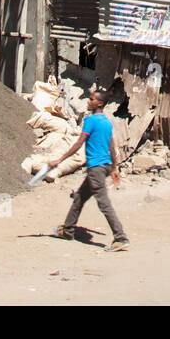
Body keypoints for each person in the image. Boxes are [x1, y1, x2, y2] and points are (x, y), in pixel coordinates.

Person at [48, 90, 130, 252]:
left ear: (99, 104)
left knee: (103, 203)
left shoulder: (90, 120)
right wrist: (114, 167)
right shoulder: (106, 122)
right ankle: (68, 230)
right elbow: (111, 146)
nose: (88, 101)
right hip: (104, 166)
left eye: (92, 99)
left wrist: (59, 160)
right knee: (79, 197)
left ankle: (120, 237)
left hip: (96, 168)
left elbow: (79, 143)